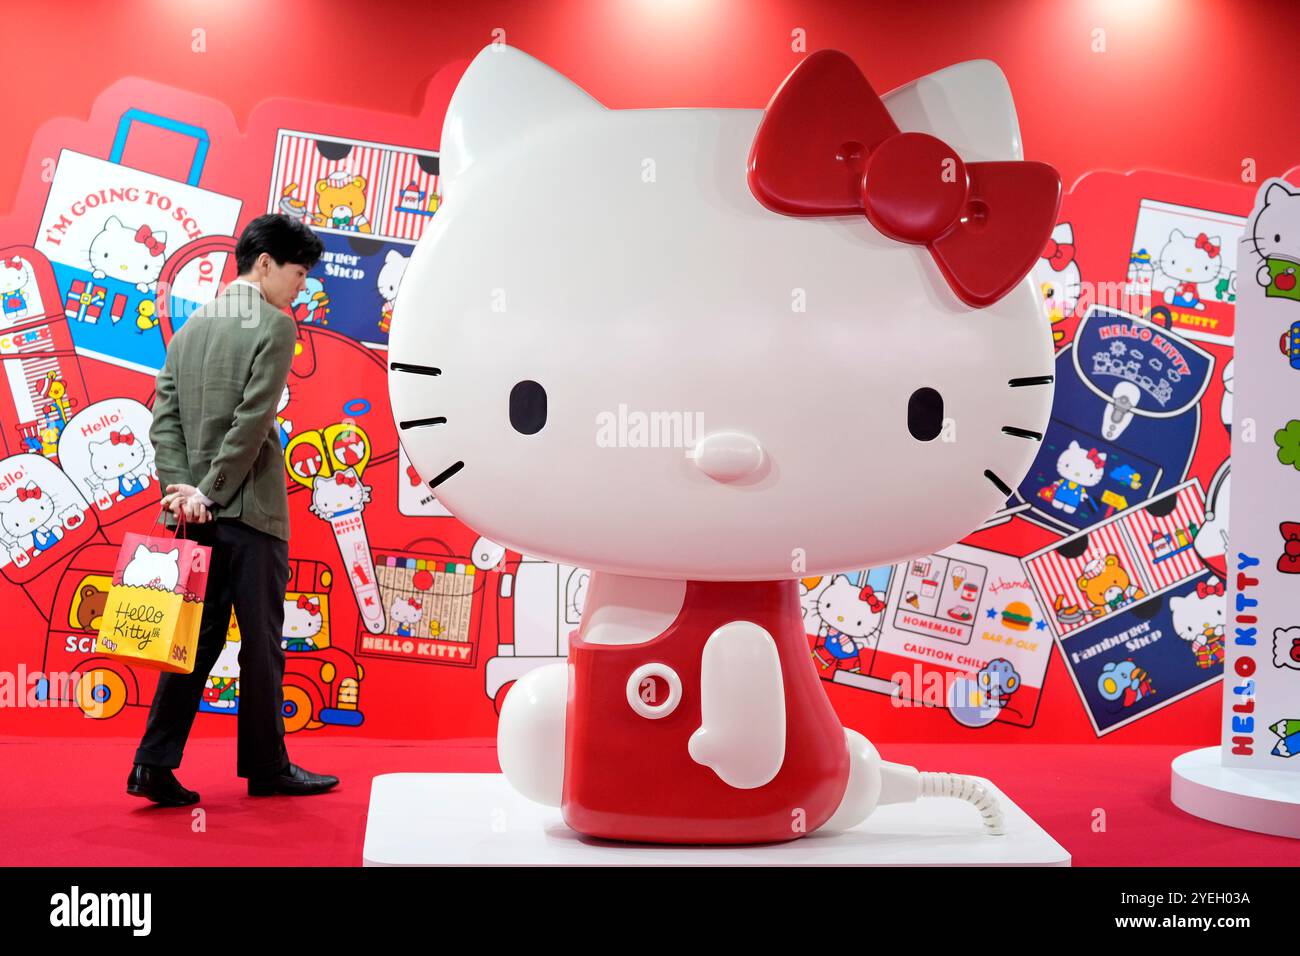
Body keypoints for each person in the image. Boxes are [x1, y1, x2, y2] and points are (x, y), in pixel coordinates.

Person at [127, 214, 338, 806]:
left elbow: (163, 417)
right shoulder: (274, 324)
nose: (303, 286)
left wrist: (182, 491)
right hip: (248, 510)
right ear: (265, 263)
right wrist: (213, 491)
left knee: (189, 642)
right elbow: (252, 421)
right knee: (263, 641)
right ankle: (267, 768)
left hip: (194, 516)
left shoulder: (192, 325)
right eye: (299, 273)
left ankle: (152, 764)